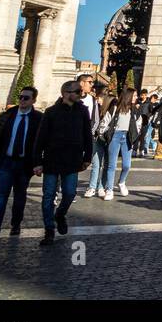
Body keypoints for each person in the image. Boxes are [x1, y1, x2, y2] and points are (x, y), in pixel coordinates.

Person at [34, 80, 93, 246]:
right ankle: (49, 230)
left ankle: (60, 213)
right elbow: (41, 138)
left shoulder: (82, 111)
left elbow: (87, 135)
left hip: (72, 160)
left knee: (69, 193)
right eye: (77, 91)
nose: (80, 93)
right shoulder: (51, 112)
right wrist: (37, 161)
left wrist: (87, 157)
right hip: (52, 159)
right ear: (66, 93)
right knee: (48, 196)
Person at [0, 86, 39, 241]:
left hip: (25, 164)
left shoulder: (39, 119)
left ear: (33, 100)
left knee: (20, 196)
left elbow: (42, 143)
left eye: (26, 98)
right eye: (21, 97)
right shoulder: (7, 116)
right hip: (5, 162)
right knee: (1, 195)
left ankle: (16, 223)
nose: (22, 100)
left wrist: (39, 163)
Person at [100, 87, 138, 199]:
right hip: (115, 136)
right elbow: (105, 121)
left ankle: (121, 182)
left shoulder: (133, 109)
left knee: (127, 165)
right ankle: (109, 189)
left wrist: (136, 133)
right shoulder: (115, 108)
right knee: (112, 165)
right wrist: (103, 134)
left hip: (127, 136)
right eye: (134, 95)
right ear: (128, 96)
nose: (136, 97)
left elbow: (138, 122)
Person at [80, 77, 109, 198]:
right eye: (90, 82)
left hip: (96, 137)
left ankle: (99, 187)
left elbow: (96, 120)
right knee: (75, 162)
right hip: (81, 137)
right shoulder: (76, 99)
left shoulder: (93, 101)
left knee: (99, 163)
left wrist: (89, 134)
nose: (91, 85)